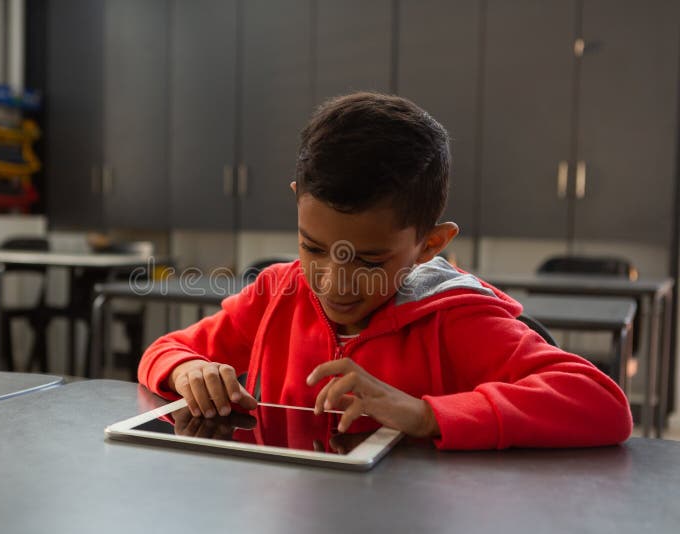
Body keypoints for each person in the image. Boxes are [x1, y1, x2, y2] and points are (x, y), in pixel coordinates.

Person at [138, 92, 632, 449]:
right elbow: (166, 349)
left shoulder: (453, 317)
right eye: (313, 247)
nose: (334, 282)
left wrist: (425, 414)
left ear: (429, 244)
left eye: (370, 260)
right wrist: (188, 370)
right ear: (298, 204)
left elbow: (601, 403)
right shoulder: (277, 293)